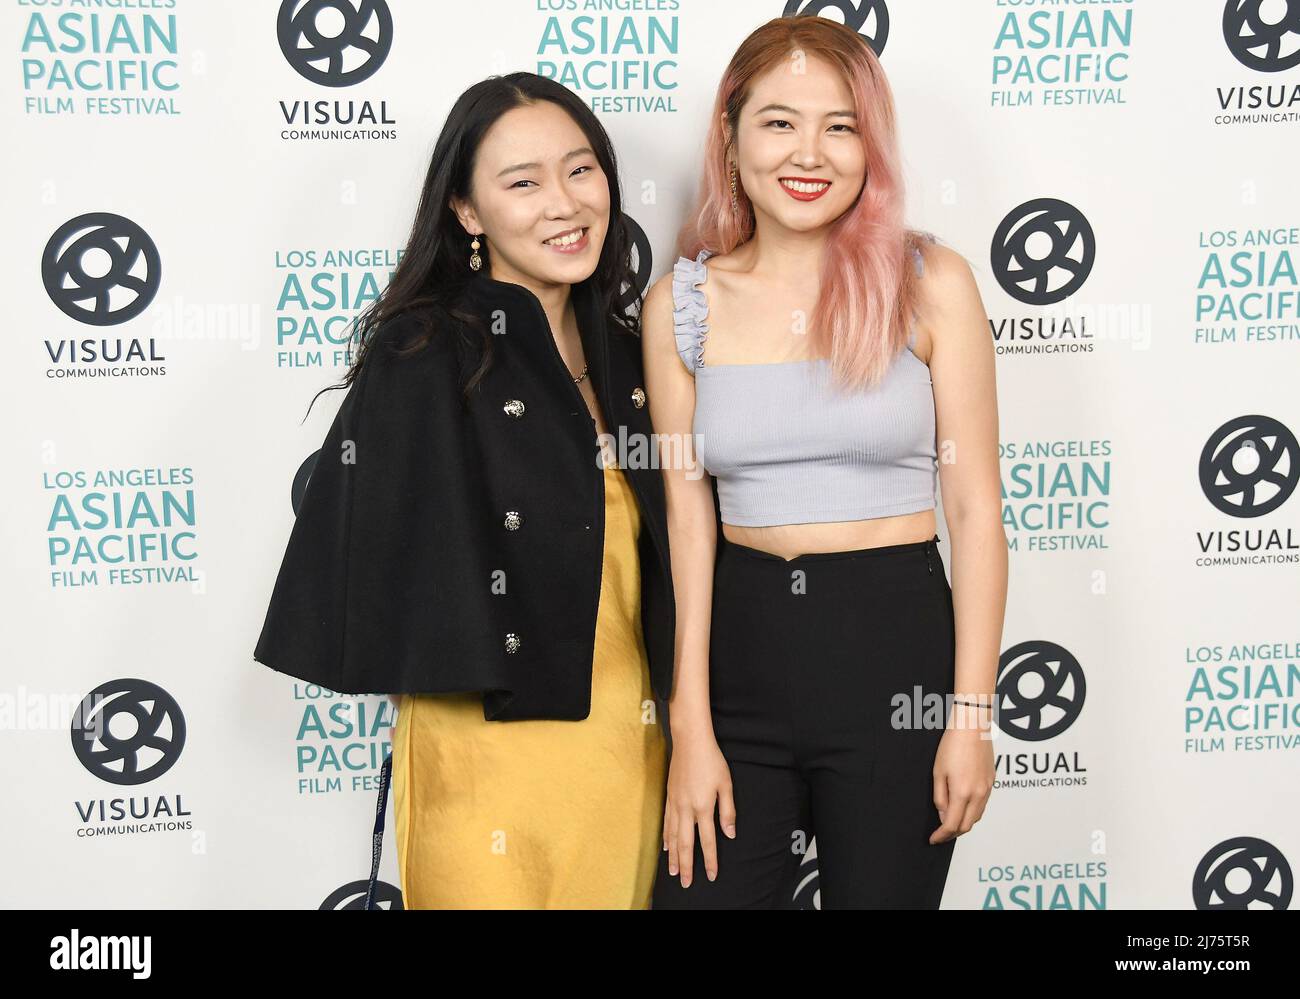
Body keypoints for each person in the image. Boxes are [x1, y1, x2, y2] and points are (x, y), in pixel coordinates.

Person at [252, 72, 675, 909]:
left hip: (629, 752)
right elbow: (378, 563)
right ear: (467, 212)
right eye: (522, 182)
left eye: (580, 170)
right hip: (481, 758)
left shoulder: (635, 358)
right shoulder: (425, 351)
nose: (563, 203)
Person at [641, 16, 1006, 909]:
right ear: (730, 134)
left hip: (894, 660)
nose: (811, 153)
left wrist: (970, 717)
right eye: (779, 122)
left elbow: (975, 513)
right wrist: (691, 724)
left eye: (840, 126)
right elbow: (689, 527)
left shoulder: (932, 282)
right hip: (741, 659)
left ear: (870, 144)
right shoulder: (682, 305)